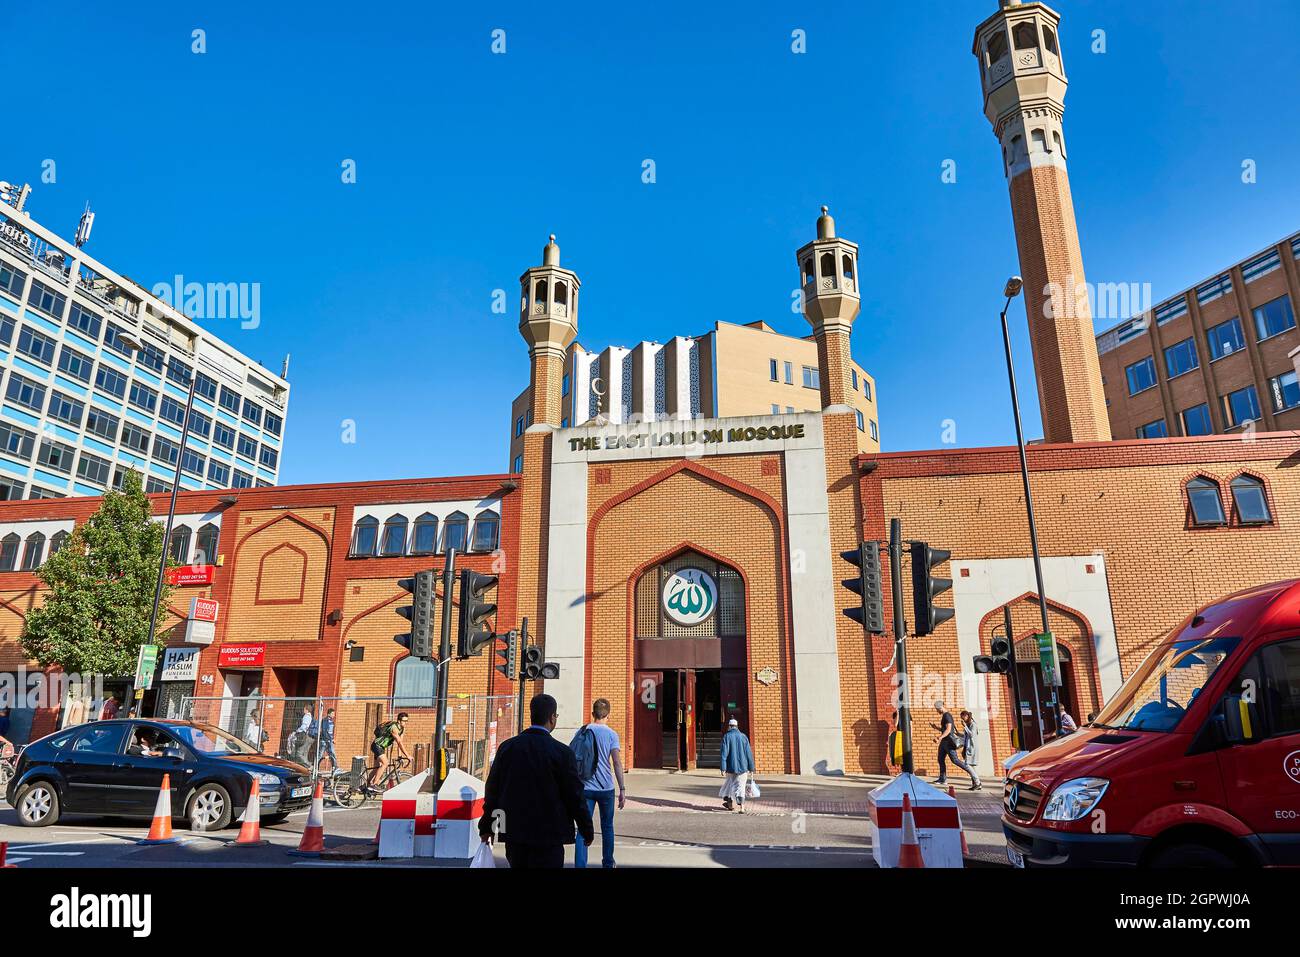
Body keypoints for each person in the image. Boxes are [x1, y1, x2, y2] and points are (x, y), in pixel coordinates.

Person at [479, 694, 593, 869]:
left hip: (515, 834)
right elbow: (574, 795)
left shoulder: (508, 748)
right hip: (550, 835)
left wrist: (488, 826)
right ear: (552, 718)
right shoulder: (562, 753)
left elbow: (493, 791)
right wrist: (586, 827)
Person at [572, 698, 626, 869]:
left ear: (593, 713)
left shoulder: (582, 731)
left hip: (585, 787)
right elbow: (617, 763)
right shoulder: (611, 734)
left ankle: (580, 865)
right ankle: (608, 863)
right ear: (607, 715)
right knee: (607, 827)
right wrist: (622, 789)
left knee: (582, 829)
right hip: (606, 788)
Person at [930, 700, 981, 791]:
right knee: (940, 759)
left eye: (937, 709)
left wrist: (939, 738)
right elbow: (944, 729)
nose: (936, 711)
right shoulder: (944, 716)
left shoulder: (947, 716)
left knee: (955, 760)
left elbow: (949, 729)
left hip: (949, 742)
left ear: (940, 708)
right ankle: (942, 779)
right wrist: (936, 728)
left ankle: (974, 777)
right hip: (944, 742)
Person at [719, 717, 756, 812]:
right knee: (741, 787)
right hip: (743, 767)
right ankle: (742, 807)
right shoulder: (743, 737)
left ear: (730, 726)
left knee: (730, 785)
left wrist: (723, 768)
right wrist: (751, 767)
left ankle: (730, 803)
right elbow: (749, 754)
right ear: (737, 726)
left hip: (730, 767)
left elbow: (724, 754)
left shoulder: (726, 737)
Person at [368, 712, 411, 790]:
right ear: (399, 721)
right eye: (404, 721)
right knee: (385, 763)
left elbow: (400, 742)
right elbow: (399, 742)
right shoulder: (394, 727)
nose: (405, 723)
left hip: (381, 747)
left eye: (407, 721)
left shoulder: (402, 729)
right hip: (377, 745)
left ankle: (365, 786)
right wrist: (407, 755)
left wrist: (400, 756)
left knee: (376, 768)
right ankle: (374, 784)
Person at [316, 708, 338, 772]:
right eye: (332, 713)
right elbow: (324, 731)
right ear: (329, 714)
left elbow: (330, 732)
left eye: (334, 714)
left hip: (329, 741)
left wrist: (332, 739)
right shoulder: (325, 720)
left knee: (332, 754)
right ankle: (316, 768)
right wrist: (329, 739)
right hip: (325, 741)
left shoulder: (331, 721)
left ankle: (335, 768)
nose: (334, 715)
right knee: (320, 755)